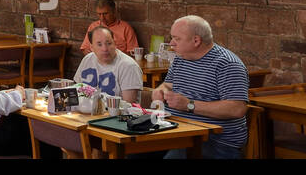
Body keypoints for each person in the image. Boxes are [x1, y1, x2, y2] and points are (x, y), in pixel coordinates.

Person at [153, 15, 249, 159]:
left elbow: (237, 108)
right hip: (176, 132)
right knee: (132, 152)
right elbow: (168, 84)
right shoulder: (181, 57)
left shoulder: (227, 64)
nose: (171, 43)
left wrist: (189, 105)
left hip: (216, 141)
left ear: (196, 40)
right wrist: (161, 90)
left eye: (177, 38)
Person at [73, 25, 143, 103]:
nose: (105, 49)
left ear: (115, 44)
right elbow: (77, 91)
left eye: (109, 43)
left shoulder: (129, 66)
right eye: (99, 44)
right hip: (88, 112)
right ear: (92, 47)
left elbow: (128, 105)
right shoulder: (87, 60)